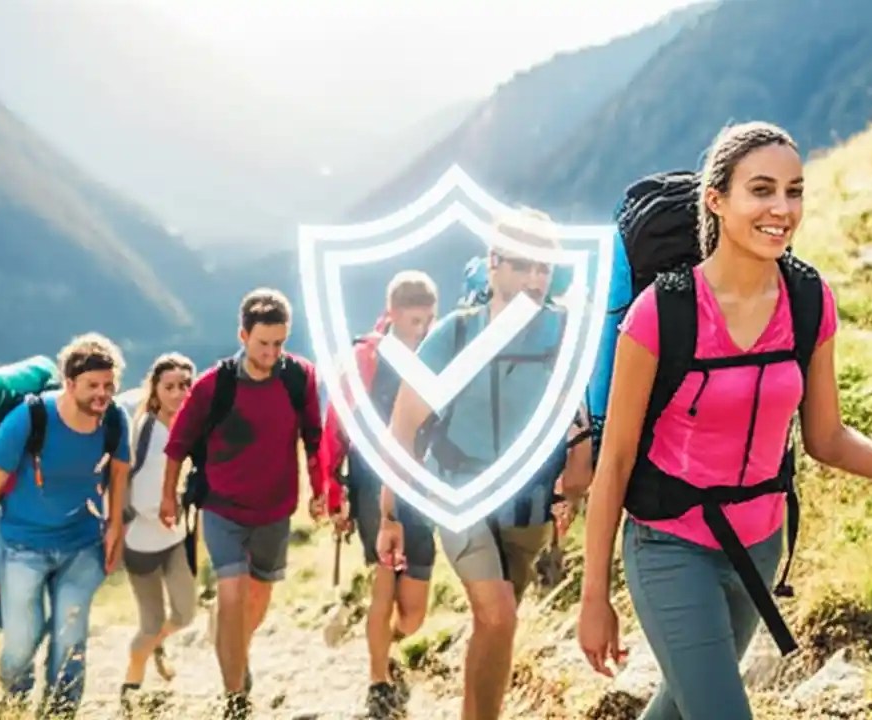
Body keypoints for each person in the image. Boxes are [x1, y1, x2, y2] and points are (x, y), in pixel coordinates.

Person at [574, 121, 872, 720]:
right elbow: (616, 462)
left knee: (683, 706)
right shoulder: (662, 312)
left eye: (794, 190)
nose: (782, 208)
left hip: (758, 546)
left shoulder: (809, 301)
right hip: (669, 547)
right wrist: (594, 594)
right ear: (717, 200)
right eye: (761, 190)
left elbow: (827, 438)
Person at [378, 209, 593, 720]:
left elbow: (578, 415)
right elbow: (404, 425)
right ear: (493, 265)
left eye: (544, 268)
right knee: (497, 614)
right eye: (522, 266)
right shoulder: (454, 335)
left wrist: (576, 485)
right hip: (458, 489)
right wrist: (390, 515)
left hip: (529, 501)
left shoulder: (563, 334)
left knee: (497, 621)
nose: (536, 279)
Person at [159, 288, 326, 720]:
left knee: (256, 602)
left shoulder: (299, 377)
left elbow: (313, 435)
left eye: (279, 343)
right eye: (262, 343)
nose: (271, 353)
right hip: (222, 505)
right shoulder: (214, 386)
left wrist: (321, 488)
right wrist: (167, 497)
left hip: (274, 508)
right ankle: (235, 696)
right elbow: (177, 445)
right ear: (243, 335)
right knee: (232, 595)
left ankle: (234, 650)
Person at [0, 333, 132, 718]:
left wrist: (114, 526)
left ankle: (59, 713)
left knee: (70, 641)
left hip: (81, 544)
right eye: (92, 386)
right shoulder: (31, 418)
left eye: (109, 385)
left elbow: (120, 471)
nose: (102, 394)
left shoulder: (114, 419)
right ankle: (15, 701)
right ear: (69, 383)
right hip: (23, 545)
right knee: (21, 645)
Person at [319, 270, 440, 719]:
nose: (422, 330)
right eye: (414, 322)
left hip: (424, 485)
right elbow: (337, 425)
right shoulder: (366, 357)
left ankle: (381, 644)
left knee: (413, 616)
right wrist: (335, 494)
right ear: (391, 314)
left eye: (429, 320)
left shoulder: (437, 355)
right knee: (384, 582)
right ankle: (378, 679)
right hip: (373, 481)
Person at [119, 353, 199, 713]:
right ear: (155, 390)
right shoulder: (144, 432)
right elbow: (132, 487)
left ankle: (156, 645)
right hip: (141, 542)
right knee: (149, 625)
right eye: (170, 387)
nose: (179, 393)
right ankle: (130, 686)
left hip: (176, 537)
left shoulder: (192, 427)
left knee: (185, 614)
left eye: (185, 385)